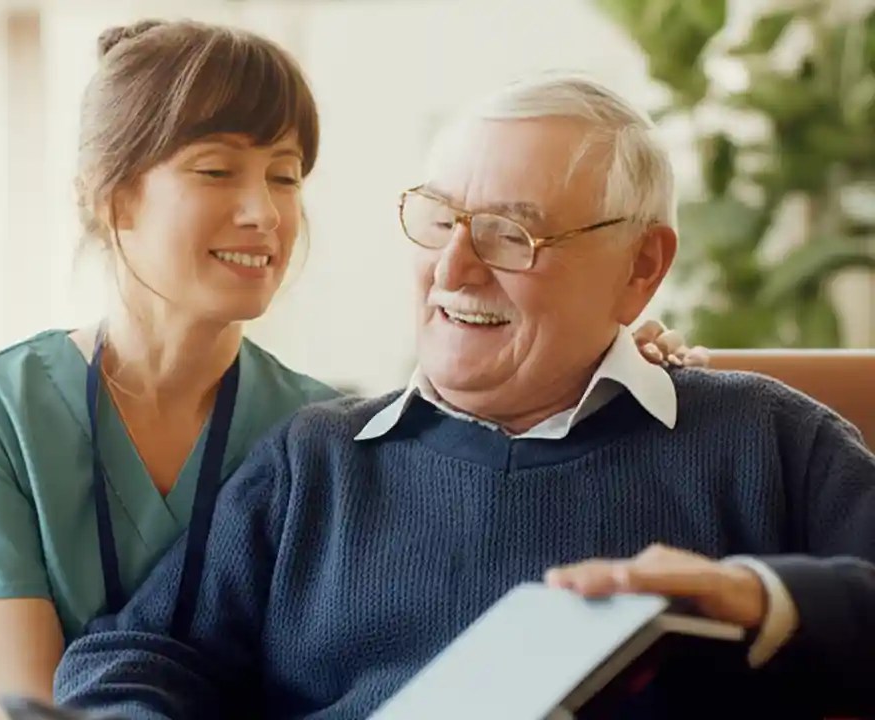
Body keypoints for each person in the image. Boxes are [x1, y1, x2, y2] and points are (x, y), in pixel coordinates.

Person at [0, 21, 702, 719]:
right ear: (115, 200)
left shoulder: (320, 436)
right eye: (218, 171)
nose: (264, 212)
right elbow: (37, 707)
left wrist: (614, 348)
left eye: (285, 175)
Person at [52, 75, 875, 720]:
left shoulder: (768, 441)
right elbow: (137, 654)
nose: (454, 270)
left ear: (641, 268)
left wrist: (766, 599)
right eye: (441, 221)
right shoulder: (316, 459)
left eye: (511, 235)